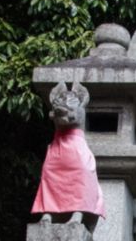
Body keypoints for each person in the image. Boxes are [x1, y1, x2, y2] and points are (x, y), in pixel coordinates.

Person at [31, 80, 105, 231]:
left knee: (81, 177)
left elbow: (73, 119)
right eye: (61, 99)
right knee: (50, 177)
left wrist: (66, 110)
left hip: (76, 146)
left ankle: (78, 213)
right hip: (58, 146)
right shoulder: (58, 107)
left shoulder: (79, 108)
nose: (65, 102)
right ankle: (48, 213)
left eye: (69, 100)